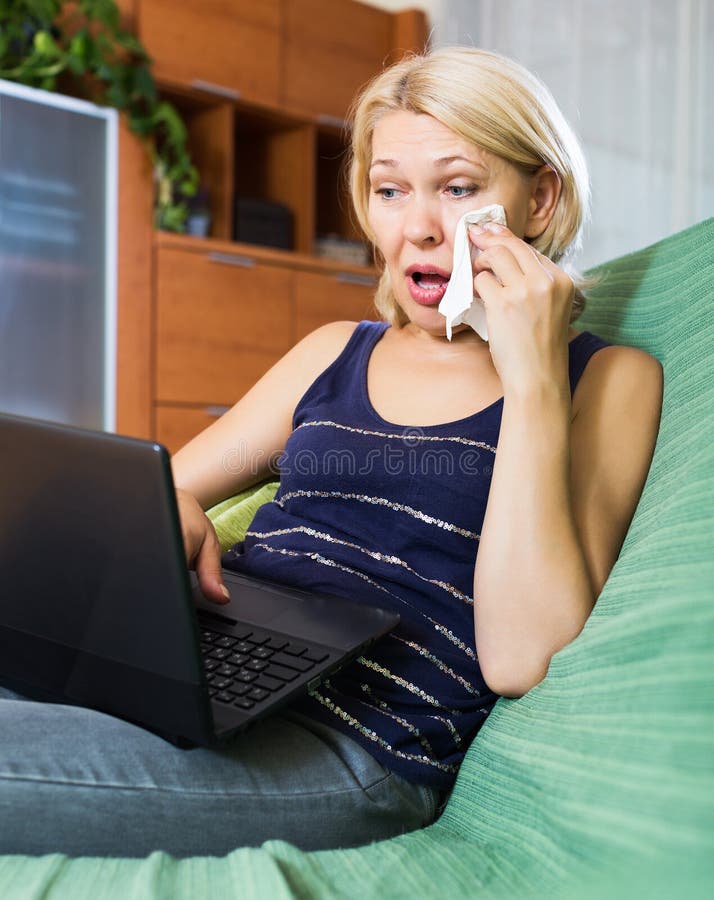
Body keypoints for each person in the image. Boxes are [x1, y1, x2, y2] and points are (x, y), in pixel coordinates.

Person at [0, 47, 662, 859]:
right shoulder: (334, 351)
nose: (417, 227)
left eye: (458, 188)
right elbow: (155, 495)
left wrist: (531, 378)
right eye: (390, 190)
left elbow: (522, 657)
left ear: (541, 197)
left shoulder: (605, 382)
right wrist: (169, 515)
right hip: (213, 671)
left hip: (353, 747)